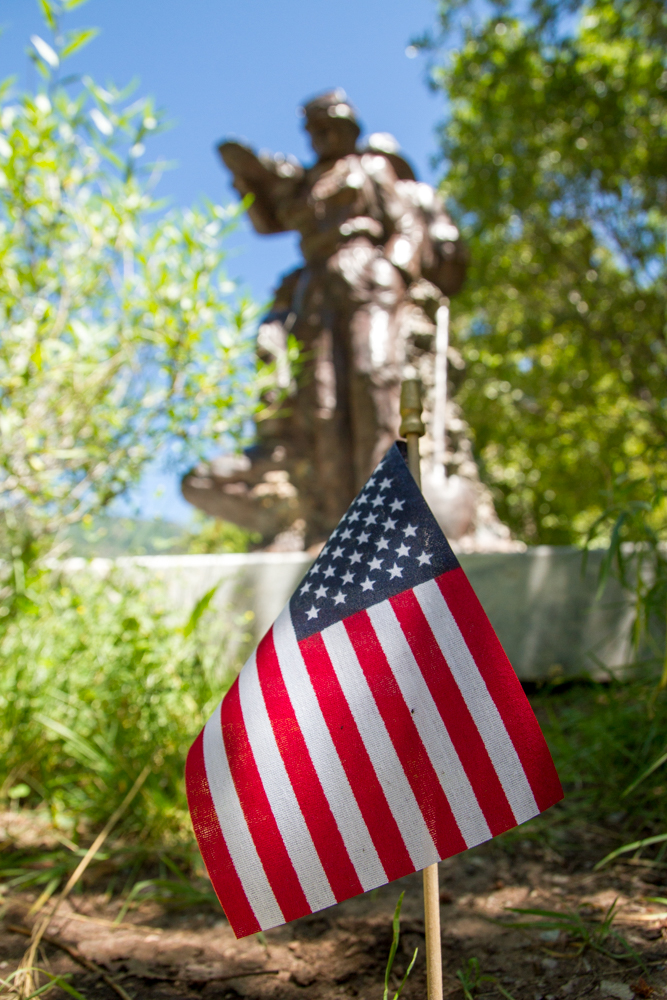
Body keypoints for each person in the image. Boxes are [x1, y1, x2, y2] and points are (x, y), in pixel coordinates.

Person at [182, 90, 467, 548]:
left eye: (329, 125)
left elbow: (408, 225)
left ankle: (387, 518)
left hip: (366, 274)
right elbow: (269, 221)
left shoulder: (369, 168)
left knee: (375, 379)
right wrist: (246, 181)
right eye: (314, 129)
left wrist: (392, 266)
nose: (321, 136)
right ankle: (337, 529)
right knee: (324, 404)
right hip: (316, 290)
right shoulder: (308, 183)